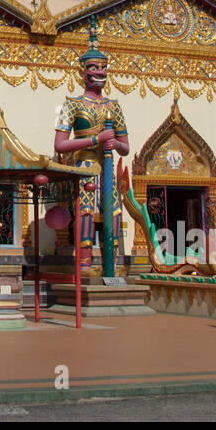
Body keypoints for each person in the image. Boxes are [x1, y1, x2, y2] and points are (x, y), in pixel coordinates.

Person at [54, 23, 129, 270]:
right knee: (86, 211)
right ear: (82, 72)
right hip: (84, 165)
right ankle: (84, 262)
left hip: (107, 167)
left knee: (114, 211)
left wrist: (114, 142)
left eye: (103, 67)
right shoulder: (72, 105)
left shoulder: (114, 106)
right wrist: (96, 139)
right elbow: (60, 144)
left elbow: (125, 147)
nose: (99, 72)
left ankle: (112, 263)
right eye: (93, 67)